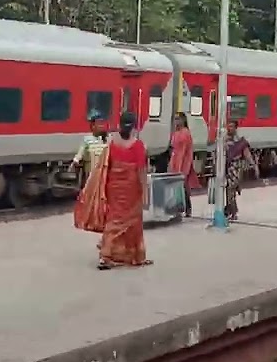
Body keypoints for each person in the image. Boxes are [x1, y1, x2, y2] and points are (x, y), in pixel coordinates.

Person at [74, 112, 153, 270]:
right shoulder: (137, 146)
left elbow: (104, 167)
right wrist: (145, 191)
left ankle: (120, 255)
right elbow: (141, 171)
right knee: (132, 222)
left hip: (113, 188)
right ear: (135, 127)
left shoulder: (111, 143)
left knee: (115, 219)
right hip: (131, 189)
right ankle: (112, 255)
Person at [222, 119, 257, 221]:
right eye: (228, 126)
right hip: (227, 167)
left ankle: (232, 211)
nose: (229, 128)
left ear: (236, 128)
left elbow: (247, 154)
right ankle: (231, 210)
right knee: (228, 190)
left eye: (232, 126)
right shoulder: (224, 140)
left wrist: (254, 165)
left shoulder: (240, 141)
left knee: (231, 189)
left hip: (236, 167)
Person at [168, 112, 199, 218]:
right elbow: (173, 149)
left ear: (183, 120)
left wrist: (182, 165)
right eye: (175, 119)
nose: (176, 121)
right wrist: (172, 163)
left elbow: (185, 150)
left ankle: (187, 208)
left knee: (184, 186)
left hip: (184, 162)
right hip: (176, 160)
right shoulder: (175, 133)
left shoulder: (185, 133)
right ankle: (179, 208)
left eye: (178, 119)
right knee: (177, 186)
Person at [71, 111, 110, 186]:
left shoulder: (107, 140)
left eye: (101, 124)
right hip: (91, 172)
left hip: (103, 172)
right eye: (98, 124)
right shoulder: (87, 140)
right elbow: (81, 152)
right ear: (92, 126)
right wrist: (75, 161)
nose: (100, 126)